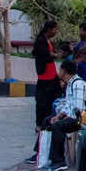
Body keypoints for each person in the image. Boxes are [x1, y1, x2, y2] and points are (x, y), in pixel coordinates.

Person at [47, 56, 86, 167]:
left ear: (64, 71)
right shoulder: (70, 84)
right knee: (47, 121)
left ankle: (59, 161)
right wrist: (59, 116)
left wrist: (63, 119)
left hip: (81, 119)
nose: (59, 71)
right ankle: (41, 154)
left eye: (60, 69)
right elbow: (68, 106)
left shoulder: (77, 84)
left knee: (58, 126)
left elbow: (78, 108)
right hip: (73, 116)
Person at [30, 20, 62, 159]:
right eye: (55, 29)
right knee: (43, 101)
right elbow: (47, 57)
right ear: (49, 29)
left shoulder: (46, 40)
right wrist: (55, 55)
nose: (56, 32)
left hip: (51, 75)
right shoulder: (41, 41)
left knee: (54, 99)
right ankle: (39, 124)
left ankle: (49, 120)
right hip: (46, 76)